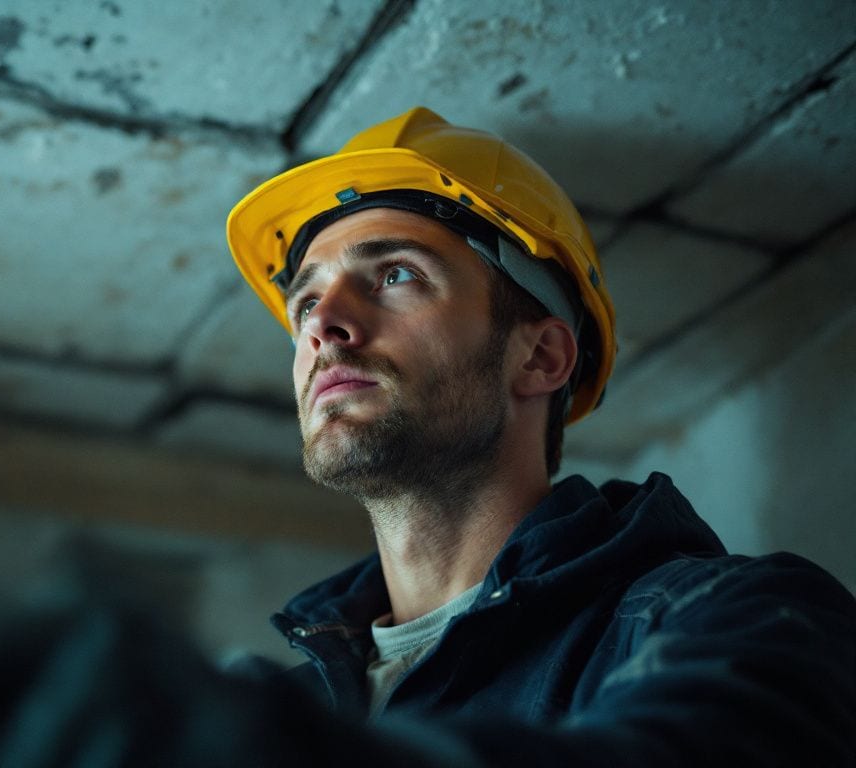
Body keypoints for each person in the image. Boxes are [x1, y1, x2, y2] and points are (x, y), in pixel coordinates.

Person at [223, 107, 856, 764]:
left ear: (542, 358)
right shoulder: (280, 709)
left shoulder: (739, 616)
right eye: (305, 302)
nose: (323, 325)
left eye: (394, 274)